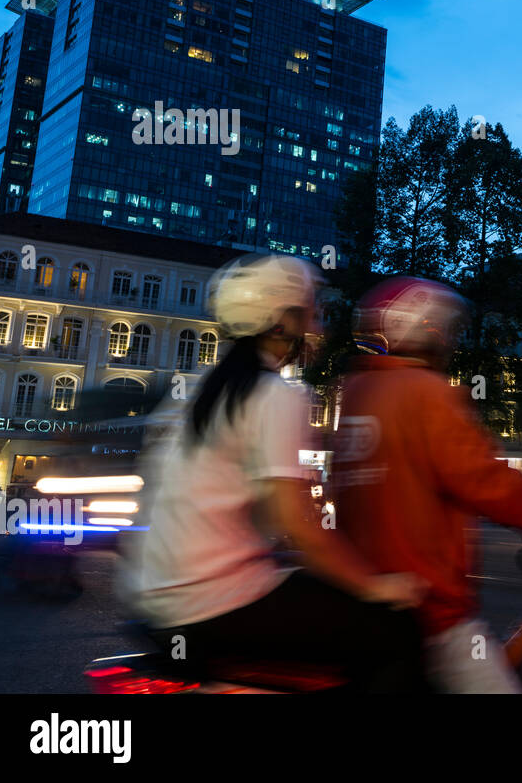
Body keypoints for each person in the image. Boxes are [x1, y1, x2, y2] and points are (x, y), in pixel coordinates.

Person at [118, 254, 426, 691]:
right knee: (397, 629)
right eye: (310, 313)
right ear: (280, 322)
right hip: (214, 605)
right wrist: (377, 586)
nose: (318, 327)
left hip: (155, 603)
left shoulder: (195, 392)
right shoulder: (277, 395)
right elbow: (297, 524)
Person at [332, 277, 522, 693]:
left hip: (362, 598)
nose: (451, 342)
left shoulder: (357, 391)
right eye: (446, 331)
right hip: (428, 609)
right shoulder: (426, 394)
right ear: (426, 329)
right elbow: (491, 486)